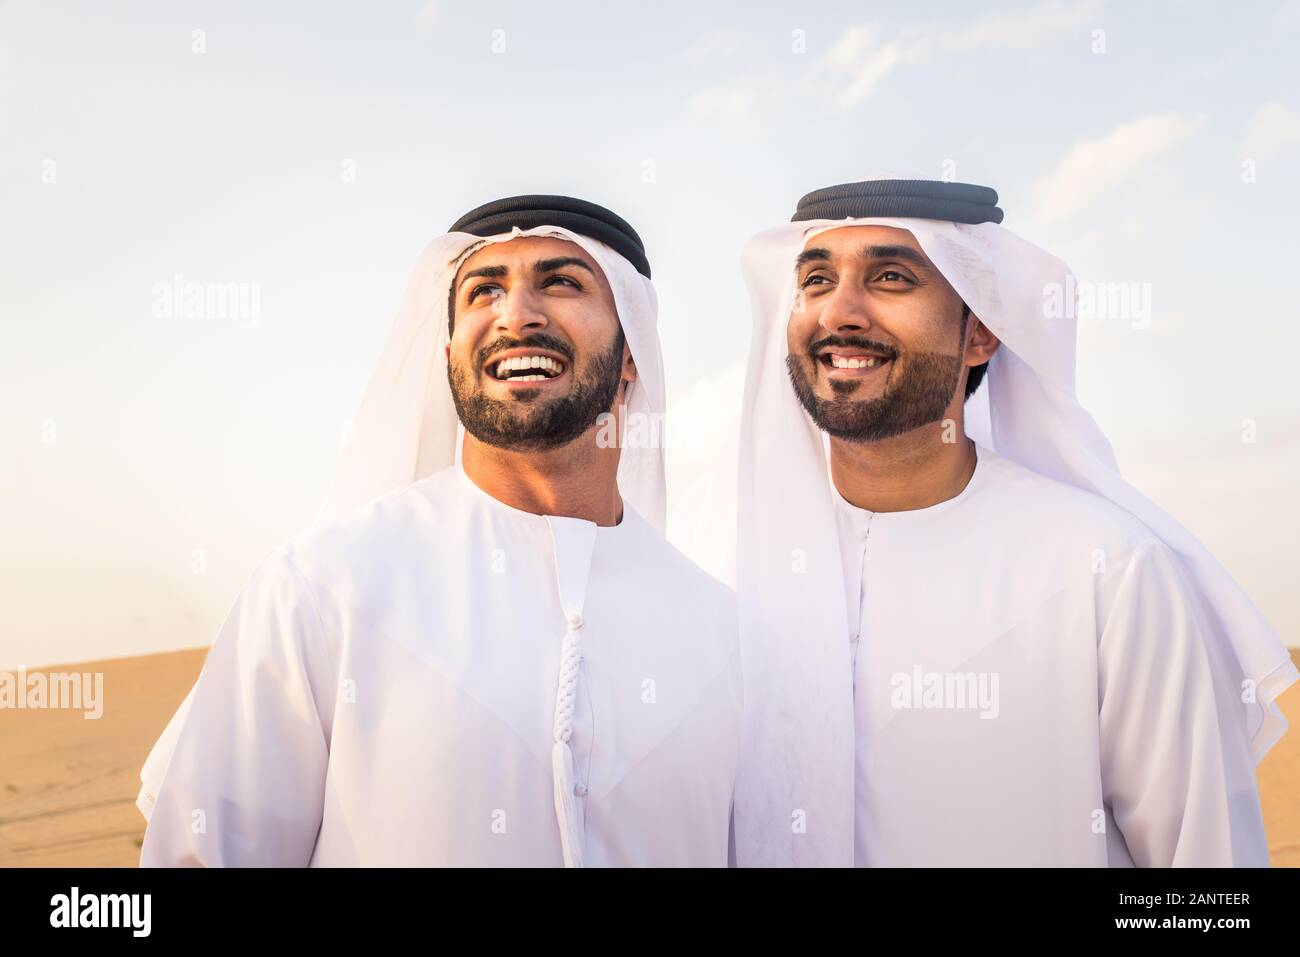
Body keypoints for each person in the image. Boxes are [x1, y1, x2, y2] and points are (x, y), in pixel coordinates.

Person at [137, 195, 742, 867]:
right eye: (485, 290)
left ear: (632, 353)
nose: (516, 315)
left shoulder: (723, 636)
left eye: (561, 282)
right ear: (449, 350)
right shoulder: (320, 591)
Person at [732, 177, 1297, 867]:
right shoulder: (728, 569)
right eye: (817, 280)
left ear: (983, 332)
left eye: (890, 277)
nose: (840, 312)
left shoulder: (1106, 569)